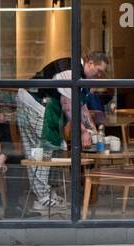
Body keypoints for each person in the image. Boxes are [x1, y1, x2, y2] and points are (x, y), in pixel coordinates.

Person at [15, 51, 110, 211]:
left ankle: (45, 194)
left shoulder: (82, 77)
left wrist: (91, 130)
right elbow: (68, 106)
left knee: (44, 150)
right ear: (90, 63)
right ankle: (42, 198)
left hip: (40, 106)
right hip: (35, 104)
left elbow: (82, 106)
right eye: (99, 70)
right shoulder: (70, 71)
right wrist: (83, 131)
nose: (99, 75)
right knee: (42, 151)